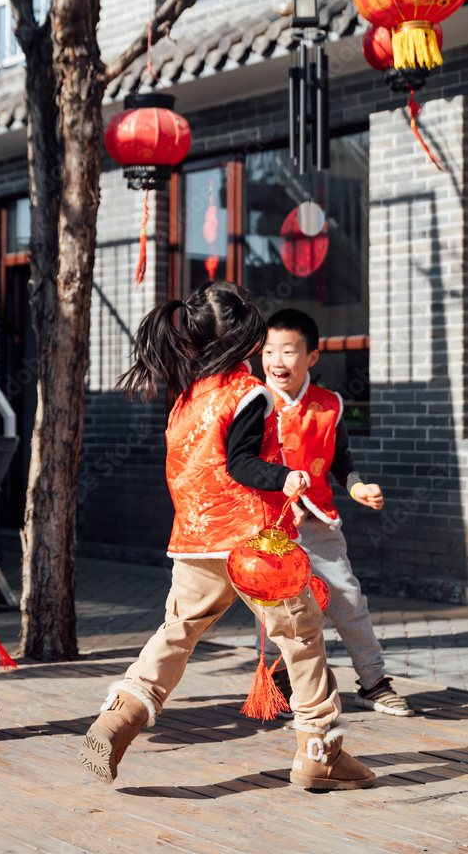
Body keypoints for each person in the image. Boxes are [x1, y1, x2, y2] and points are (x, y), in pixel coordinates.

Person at [78, 280, 375, 791]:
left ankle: (117, 719)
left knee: (176, 632)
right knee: (301, 636)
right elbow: (239, 463)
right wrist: (282, 477)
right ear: (242, 340)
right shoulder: (248, 393)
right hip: (253, 546)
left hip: (193, 540)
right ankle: (319, 751)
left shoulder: (188, 397)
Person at [256, 308, 413, 717]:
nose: (276, 361)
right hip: (272, 528)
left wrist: (358, 487)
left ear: (311, 357)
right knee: (281, 610)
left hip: (320, 525)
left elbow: (341, 457)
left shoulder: (330, 405)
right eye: (268, 350)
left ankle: (373, 682)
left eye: (288, 351)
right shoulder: (254, 403)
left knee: (347, 599)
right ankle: (281, 683)